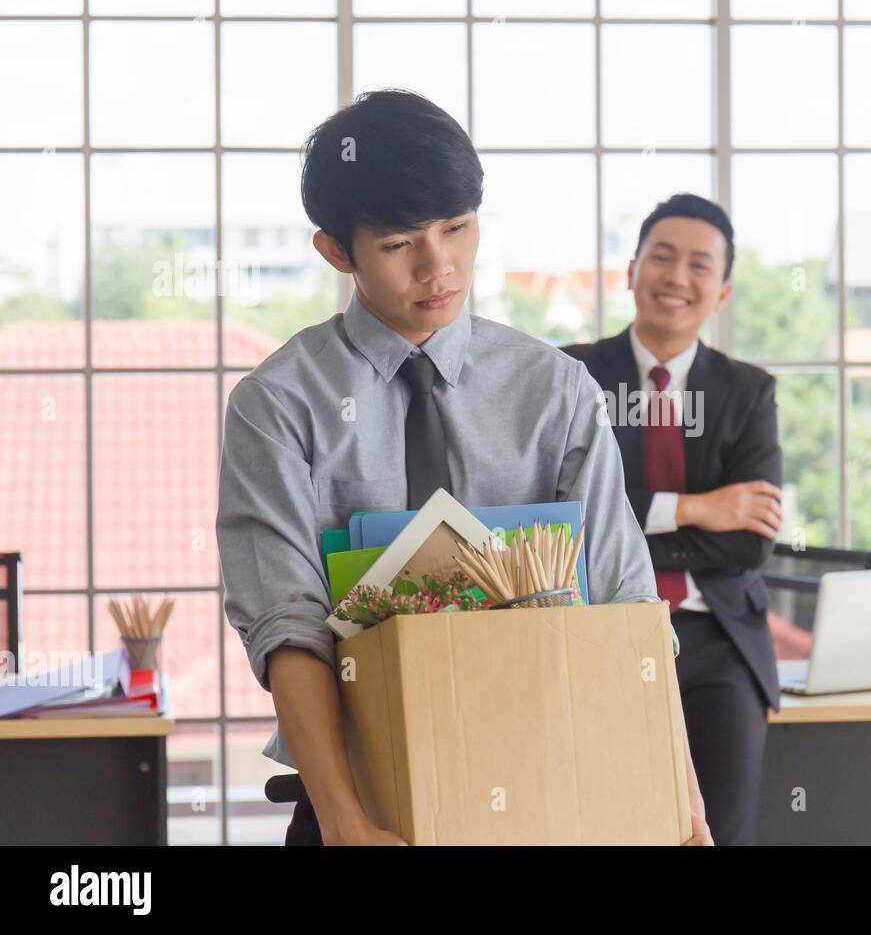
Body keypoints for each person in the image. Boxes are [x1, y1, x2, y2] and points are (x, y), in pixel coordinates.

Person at [216, 91, 711, 846]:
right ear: (336, 251)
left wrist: (683, 806)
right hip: (360, 796)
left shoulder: (555, 392)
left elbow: (628, 607)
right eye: (398, 244)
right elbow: (289, 631)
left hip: (555, 779)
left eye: (457, 229)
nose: (438, 266)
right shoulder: (277, 406)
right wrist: (347, 824)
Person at [563, 193, 783, 845]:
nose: (677, 278)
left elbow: (747, 545)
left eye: (698, 265)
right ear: (631, 270)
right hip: (599, 631)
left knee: (718, 831)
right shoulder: (572, 375)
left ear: (721, 293)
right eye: (661, 257)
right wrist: (693, 509)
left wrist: (629, 524)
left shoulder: (748, 392)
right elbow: (566, 518)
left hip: (715, 641)